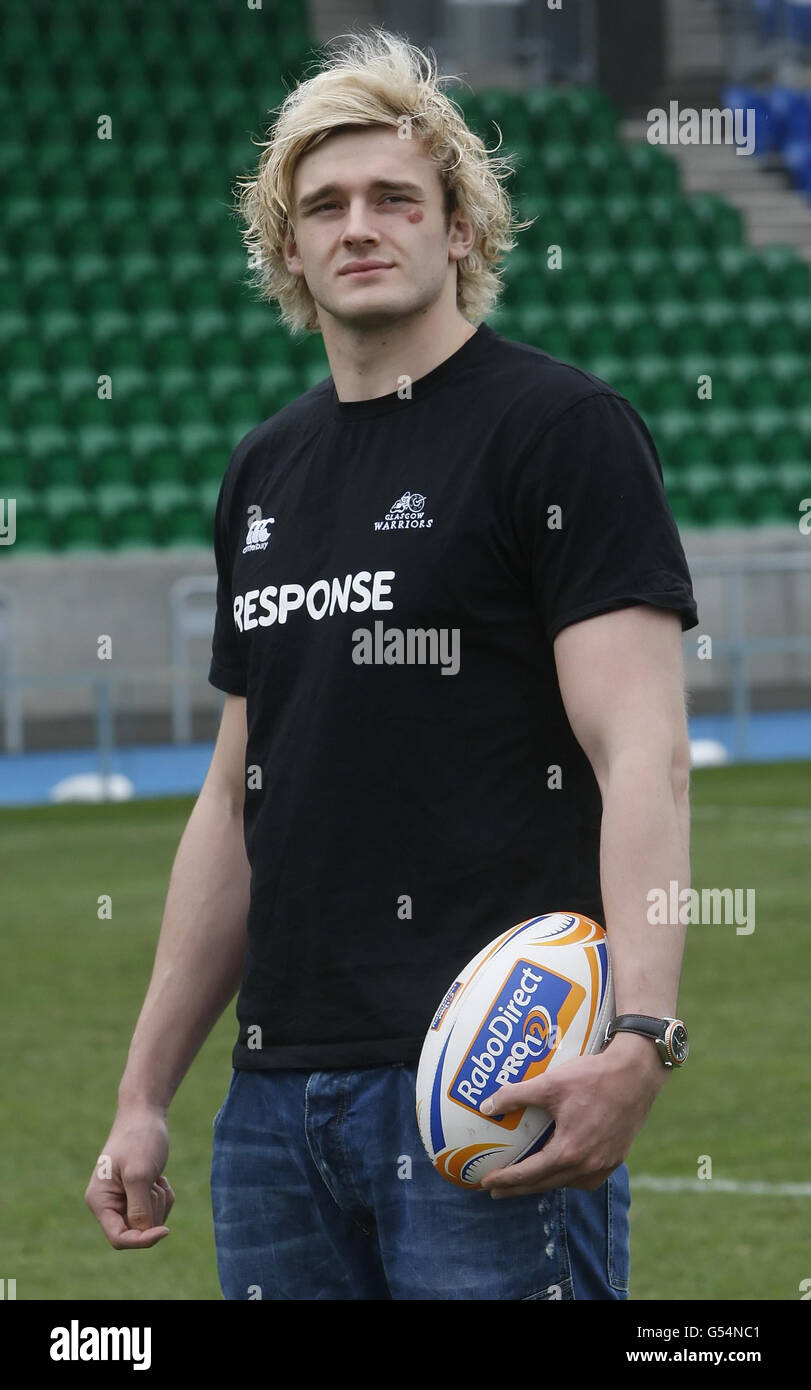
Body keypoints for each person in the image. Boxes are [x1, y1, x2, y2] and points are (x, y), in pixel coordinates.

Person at [86, 27, 698, 1300]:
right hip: (272, 1110)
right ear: (288, 247)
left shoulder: (560, 432)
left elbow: (639, 752)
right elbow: (233, 797)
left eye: (393, 199)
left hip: (488, 1084)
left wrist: (640, 1033)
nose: (357, 226)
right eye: (323, 206)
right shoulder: (264, 468)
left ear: (461, 228)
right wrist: (144, 1091)